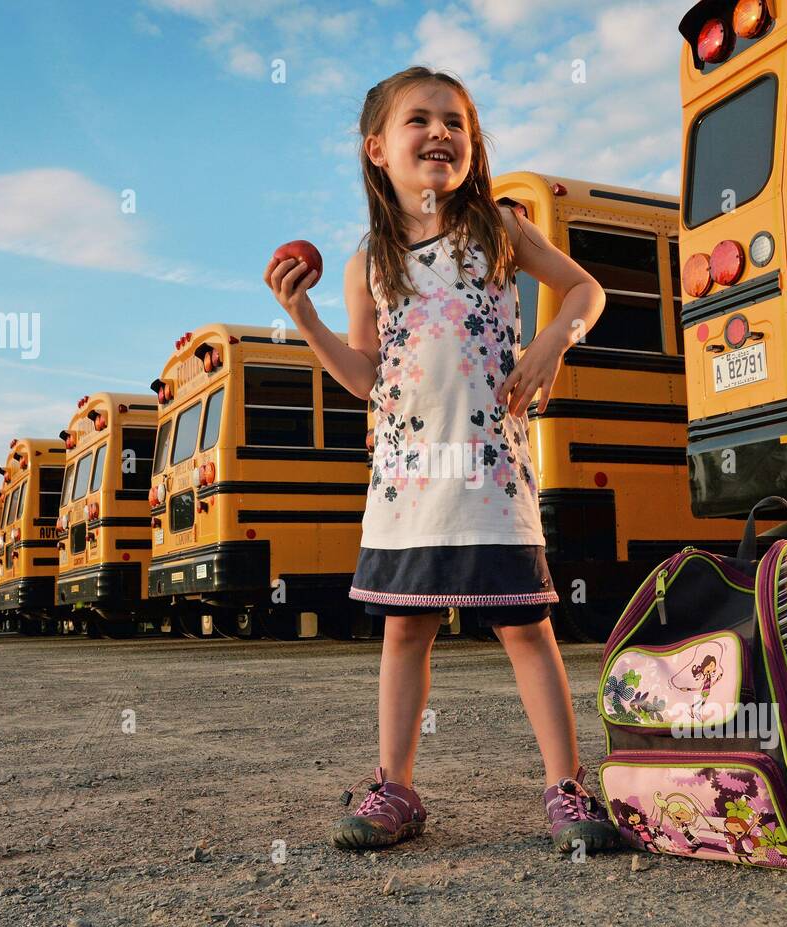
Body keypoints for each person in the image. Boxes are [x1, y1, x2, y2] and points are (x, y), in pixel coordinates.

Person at [264, 66, 617, 854]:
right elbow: (365, 374)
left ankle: (566, 788)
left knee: (527, 628)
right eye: (419, 120)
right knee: (403, 632)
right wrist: (305, 318)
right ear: (377, 149)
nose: (441, 133)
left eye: (456, 122)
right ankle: (396, 788)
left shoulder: (497, 227)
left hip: (490, 470)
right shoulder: (366, 264)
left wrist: (554, 340)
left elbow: (586, 290)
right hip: (406, 479)